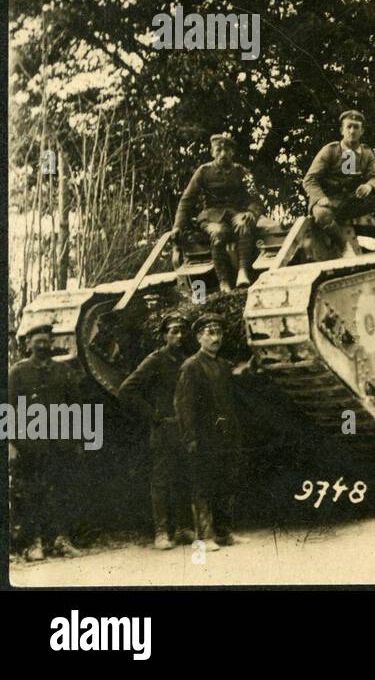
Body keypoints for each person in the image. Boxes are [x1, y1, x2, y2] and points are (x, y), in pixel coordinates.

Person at [8, 324, 85, 560]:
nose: (42, 346)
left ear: (51, 343)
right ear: (28, 344)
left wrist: (79, 439)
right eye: (37, 341)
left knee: (62, 491)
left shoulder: (63, 371)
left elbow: (76, 407)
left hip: (60, 444)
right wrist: (12, 443)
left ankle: (61, 540)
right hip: (30, 445)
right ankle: (35, 543)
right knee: (33, 493)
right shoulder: (17, 372)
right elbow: (9, 410)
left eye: (45, 341)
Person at [118, 313, 193, 549]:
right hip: (165, 428)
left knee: (184, 477)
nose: (179, 336)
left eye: (182, 331)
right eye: (173, 331)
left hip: (185, 428)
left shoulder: (186, 359)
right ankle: (161, 532)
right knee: (161, 481)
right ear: (164, 335)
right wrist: (154, 414)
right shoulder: (155, 360)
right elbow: (127, 389)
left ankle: (183, 528)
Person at [175, 313, 243, 548]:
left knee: (226, 482)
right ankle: (205, 536)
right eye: (210, 333)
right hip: (204, 436)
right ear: (198, 338)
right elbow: (183, 405)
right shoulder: (191, 366)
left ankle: (224, 533)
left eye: (219, 332)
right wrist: (190, 437)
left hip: (226, 434)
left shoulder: (223, 365)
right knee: (204, 485)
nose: (216, 337)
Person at [172, 133, 264, 290]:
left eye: (227, 150)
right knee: (219, 232)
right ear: (212, 152)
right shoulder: (203, 171)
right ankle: (223, 281)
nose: (223, 154)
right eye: (219, 150)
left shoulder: (242, 172)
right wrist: (177, 226)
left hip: (236, 214)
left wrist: (250, 213)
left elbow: (255, 198)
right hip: (211, 217)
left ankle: (243, 272)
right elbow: (187, 200)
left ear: (232, 153)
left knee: (244, 224)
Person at [303, 109, 375, 258]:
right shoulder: (330, 151)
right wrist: (320, 197)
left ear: (362, 131)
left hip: (353, 202)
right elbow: (309, 180)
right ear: (342, 130)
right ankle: (344, 247)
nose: (352, 131)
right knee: (321, 214)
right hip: (331, 202)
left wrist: (370, 186)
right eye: (348, 127)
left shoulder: (366, 153)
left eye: (356, 127)